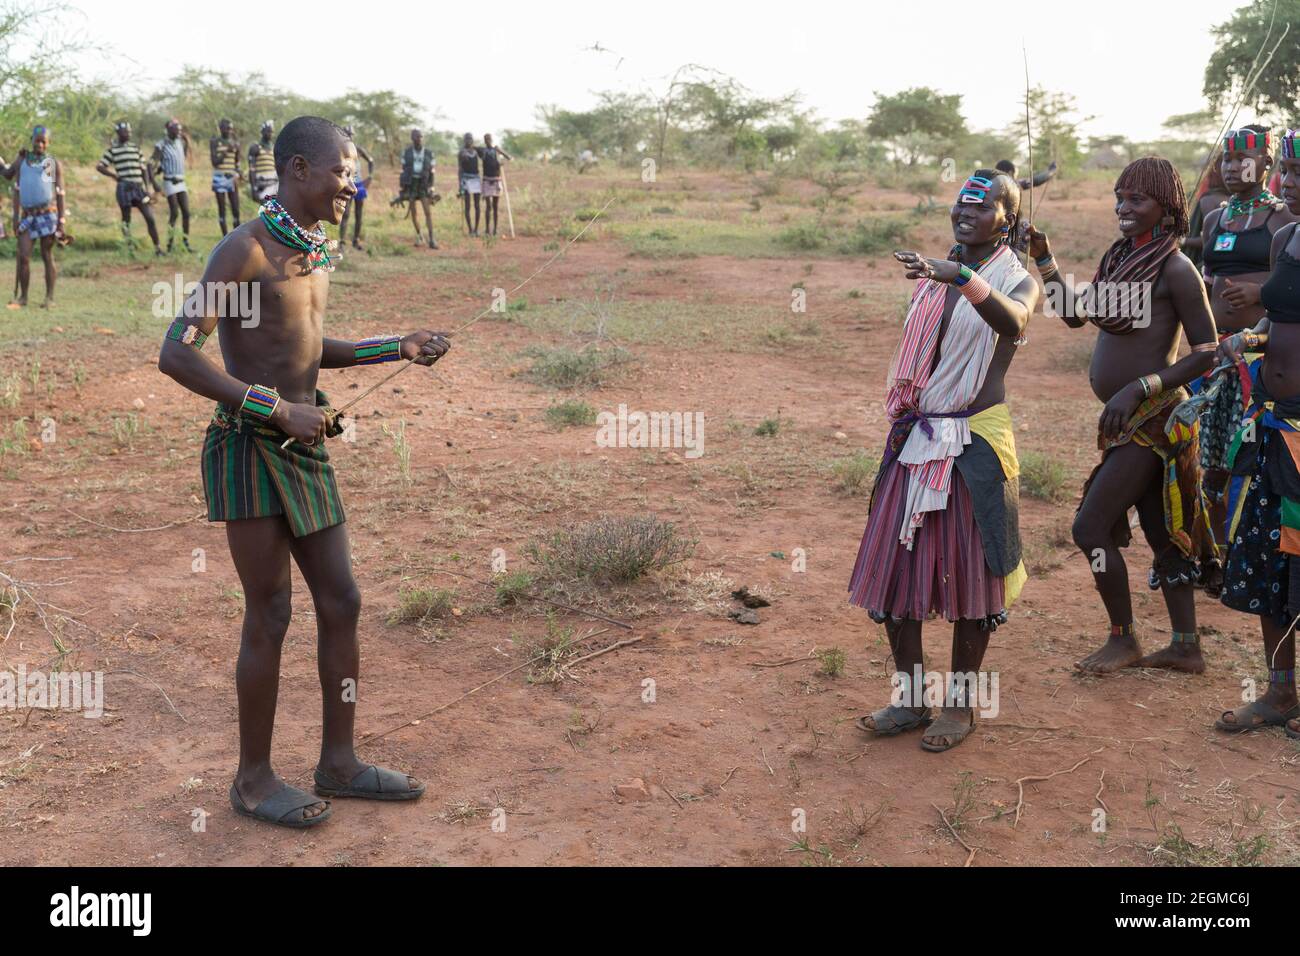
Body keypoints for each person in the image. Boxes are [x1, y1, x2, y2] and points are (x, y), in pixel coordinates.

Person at [158, 116, 450, 828]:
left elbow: (307, 348)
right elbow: (177, 352)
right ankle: (253, 781)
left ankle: (339, 761)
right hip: (249, 446)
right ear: (298, 170)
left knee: (342, 601)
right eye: (343, 172)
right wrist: (272, 407)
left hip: (304, 442)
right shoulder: (244, 252)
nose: (352, 185)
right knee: (272, 613)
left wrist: (395, 347)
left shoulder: (309, 252)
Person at [850, 170, 1039, 752]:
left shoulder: (1016, 279)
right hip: (919, 435)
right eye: (962, 203)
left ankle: (960, 705)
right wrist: (948, 273)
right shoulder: (932, 277)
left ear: (1007, 219)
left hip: (975, 442)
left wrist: (962, 278)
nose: (967, 213)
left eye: (983, 208)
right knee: (894, 570)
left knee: (972, 578)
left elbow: (1016, 321)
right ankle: (909, 697)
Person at [1029, 157, 1218, 675]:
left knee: (1091, 526)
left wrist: (1139, 387)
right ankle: (1185, 646)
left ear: (1167, 206)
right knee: (1162, 533)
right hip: (1127, 425)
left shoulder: (1177, 269)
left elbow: (1207, 351)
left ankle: (1123, 638)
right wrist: (1044, 259)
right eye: (1120, 196)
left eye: (1137, 199)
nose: (1124, 207)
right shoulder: (1120, 260)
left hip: (1154, 422)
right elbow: (1071, 314)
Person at [1213, 128, 1300, 734]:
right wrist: (1249, 337)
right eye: (1288, 173)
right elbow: (1278, 311)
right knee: (1271, 557)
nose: (1290, 183)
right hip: (1270, 419)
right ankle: (1280, 692)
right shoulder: (1288, 238)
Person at [1195, 127, 1295, 590]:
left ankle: (1243, 554)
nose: (1233, 167)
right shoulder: (1215, 217)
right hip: (1219, 352)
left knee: (1245, 459)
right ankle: (1215, 557)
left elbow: (1285, 291)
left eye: (1243, 159)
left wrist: (1257, 294)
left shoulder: (1279, 222)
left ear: (1266, 164)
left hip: (1259, 359)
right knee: (1212, 460)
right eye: (1228, 160)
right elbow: (1205, 277)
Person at [10, 125, 65, 308]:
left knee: (46, 255)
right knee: (24, 256)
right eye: (37, 141)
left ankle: (49, 298)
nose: (40, 144)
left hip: (47, 215)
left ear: (48, 143)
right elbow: (11, 179)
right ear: (32, 140)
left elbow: (57, 192)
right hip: (27, 216)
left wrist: (61, 222)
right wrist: (15, 218)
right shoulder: (23, 161)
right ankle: (23, 297)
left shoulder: (49, 163)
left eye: (44, 142)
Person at [97, 121, 162, 256]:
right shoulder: (113, 150)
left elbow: (144, 169)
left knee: (149, 217)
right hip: (124, 187)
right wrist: (114, 175)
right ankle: (129, 247)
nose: (128, 134)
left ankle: (157, 248)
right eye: (125, 131)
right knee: (126, 218)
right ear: (119, 133)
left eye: (129, 131)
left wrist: (148, 187)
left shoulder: (135, 148)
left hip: (138, 187)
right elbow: (100, 166)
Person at [150, 118, 194, 254]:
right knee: (174, 212)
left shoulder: (180, 142)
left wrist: (187, 140)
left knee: (186, 213)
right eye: (176, 130)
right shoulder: (161, 145)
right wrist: (154, 183)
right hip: (169, 181)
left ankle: (186, 242)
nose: (179, 132)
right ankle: (170, 244)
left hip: (181, 181)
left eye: (180, 130)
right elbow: (151, 165)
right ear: (168, 130)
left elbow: (183, 156)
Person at [398, 128, 438, 249]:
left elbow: (432, 172)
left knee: (428, 212)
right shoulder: (406, 153)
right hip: (411, 183)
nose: (418, 139)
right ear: (412, 138)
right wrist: (404, 187)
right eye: (416, 137)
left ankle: (432, 239)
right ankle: (420, 235)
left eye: (420, 137)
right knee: (414, 213)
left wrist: (431, 187)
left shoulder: (429, 153)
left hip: (424, 183)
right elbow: (404, 170)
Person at [1184, 164, 1230, 268]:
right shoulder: (1236, 200)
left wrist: (1183, 241)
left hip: (1211, 266)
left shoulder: (1208, 200)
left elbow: (1211, 239)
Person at [338, 126, 373, 250]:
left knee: (359, 214)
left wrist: (370, 176)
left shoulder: (358, 149)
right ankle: (342, 242)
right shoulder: (341, 151)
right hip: (347, 184)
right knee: (345, 213)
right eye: (347, 134)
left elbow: (371, 161)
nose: (349, 137)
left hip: (359, 185)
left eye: (350, 134)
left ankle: (356, 240)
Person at [210, 118, 242, 235]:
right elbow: (214, 162)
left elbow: (237, 162)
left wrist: (239, 173)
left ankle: (237, 236)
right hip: (219, 178)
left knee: (235, 208)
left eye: (231, 128)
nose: (229, 131)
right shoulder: (215, 142)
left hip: (232, 178)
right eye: (227, 128)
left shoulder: (236, 143)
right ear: (221, 128)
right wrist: (226, 151)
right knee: (222, 209)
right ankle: (225, 237)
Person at [478, 133, 512, 237]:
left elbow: (509, 157)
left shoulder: (496, 150)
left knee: (495, 206)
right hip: (487, 180)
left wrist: (501, 160)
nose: (488, 141)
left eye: (489, 139)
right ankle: (487, 229)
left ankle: (495, 229)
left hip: (497, 180)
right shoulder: (483, 151)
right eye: (486, 139)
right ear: (484, 141)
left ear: (492, 140)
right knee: (488, 206)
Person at [458, 132, 482, 236]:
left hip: (476, 178)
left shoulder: (476, 151)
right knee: (467, 205)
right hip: (466, 179)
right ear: (464, 140)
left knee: (477, 205)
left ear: (473, 140)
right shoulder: (461, 152)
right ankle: (470, 229)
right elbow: (459, 169)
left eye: (470, 138)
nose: (469, 140)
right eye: (467, 139)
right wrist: (460, 185)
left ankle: (476, 229)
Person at [248, 120, 278, 202]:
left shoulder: (274, 148)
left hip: (274, 184)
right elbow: (252, 170)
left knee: (275, 210)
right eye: (268, 131)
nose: (270, 133)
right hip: (262, 185)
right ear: (262, 131)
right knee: (269, 209)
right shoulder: (255, 147)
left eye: (271, 131)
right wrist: (253, 189)